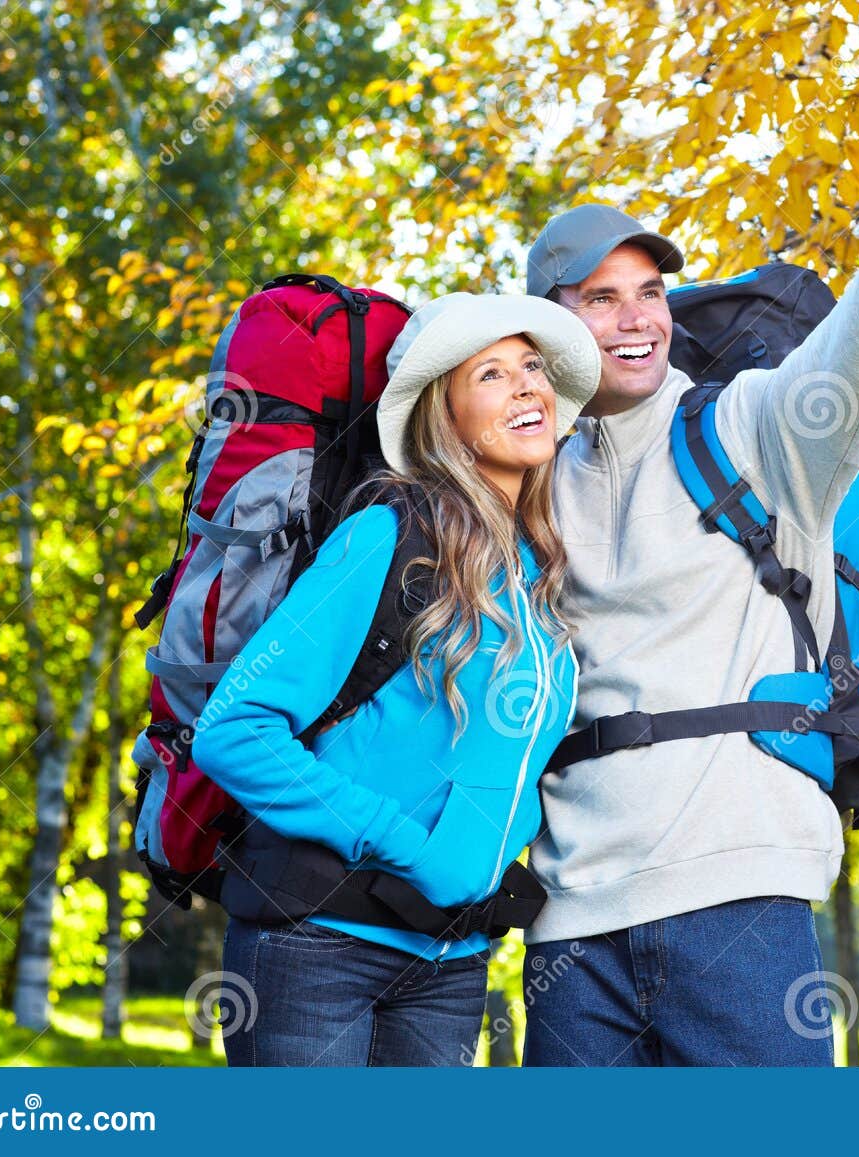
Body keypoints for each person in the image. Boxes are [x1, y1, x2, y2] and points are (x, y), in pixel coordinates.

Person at [520, 127, 859, 1065]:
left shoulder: (748, 427)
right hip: (569, 922)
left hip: (738, 899)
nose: (637, 319)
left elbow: (847, 372)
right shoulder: (531, 478)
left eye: (648, 293)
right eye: (602, 299)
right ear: (554, 323)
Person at [190, 292, 599, 1066]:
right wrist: (404, 843)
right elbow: (234, 730)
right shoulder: (387, 535)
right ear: (442, 414)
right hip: (318, 948)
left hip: (450, 965)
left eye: (533, 368)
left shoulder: (540, 585)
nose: (525, 386)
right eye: (491, 373)